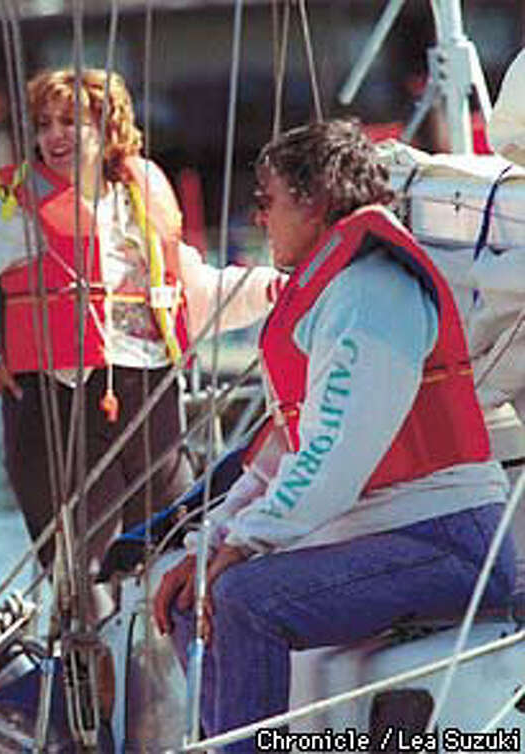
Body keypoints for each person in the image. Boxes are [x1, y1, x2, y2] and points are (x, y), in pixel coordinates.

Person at [152, 119, 517, 751]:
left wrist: (246, 545)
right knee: (193, 594)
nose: (259, 219)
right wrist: (211, 543)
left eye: (266, 201)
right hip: (385, 537)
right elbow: (278, 455)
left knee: (243, 601)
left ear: (314, 200)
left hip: (452, 540)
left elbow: (335, 455)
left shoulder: (373, 294)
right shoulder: (331, 293)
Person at [0, 68, 284, 575]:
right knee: (90, 578)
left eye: (69, 121)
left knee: (181, 549)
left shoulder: (143, 199)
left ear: (109, 126)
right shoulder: (16, 214)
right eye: (43, 124)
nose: (53, 135)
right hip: (63, 410)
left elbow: (200, 298)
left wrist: (281, 287)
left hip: (152, 399)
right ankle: (91, 651)